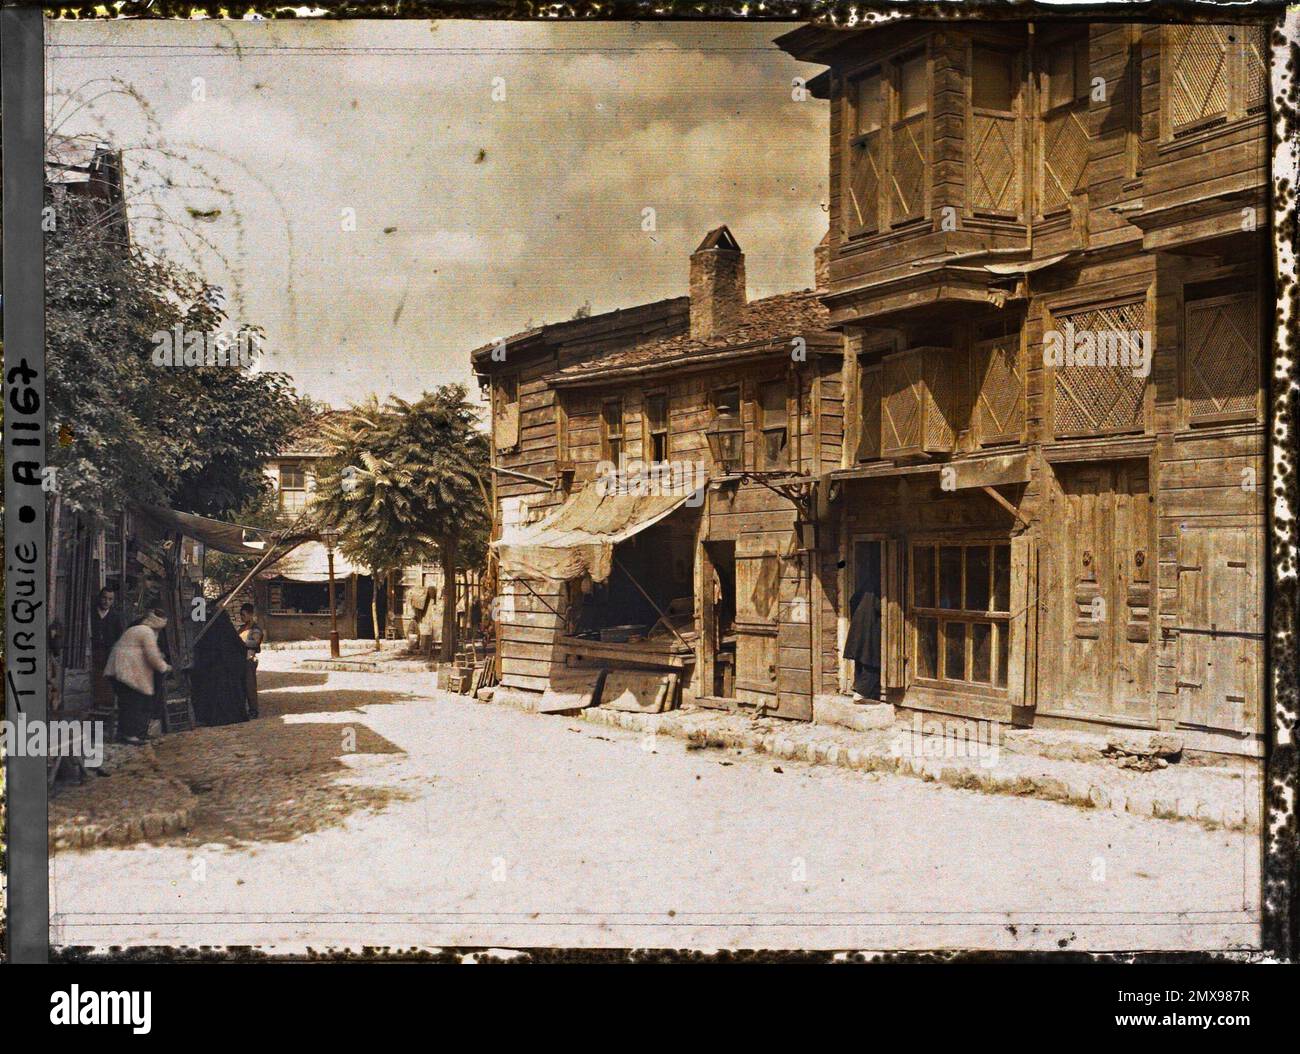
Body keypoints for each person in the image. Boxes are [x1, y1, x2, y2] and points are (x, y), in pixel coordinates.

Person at [104, 609, 172, 745]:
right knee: (135, 702)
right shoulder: (146, 632)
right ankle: (131, 735)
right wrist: (165, 667)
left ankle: (123, 734)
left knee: (127, 702)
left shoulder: (136, 629)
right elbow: (152, 656)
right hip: (125, 671)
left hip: (117, 671)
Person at [89, 587, 123, 721]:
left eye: (110, 599)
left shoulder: (115, 616)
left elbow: (120, 637)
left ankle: (105, 712)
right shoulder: (91, 614)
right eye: (104, 598)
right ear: (99, 598)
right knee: (95, 680)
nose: (106, 601)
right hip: (94, 653)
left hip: (109, 654)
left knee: (107, 682)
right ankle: (95, 707)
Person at [238, 603, 264, 718]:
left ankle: (253, 710)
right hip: (240, 660)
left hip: (249, 659)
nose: (242, 618)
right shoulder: (242, 628)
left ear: (250, 614)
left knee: (250, 686)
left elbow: (254, 643)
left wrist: (240, 643)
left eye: (244, 615)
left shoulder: (256, 629)